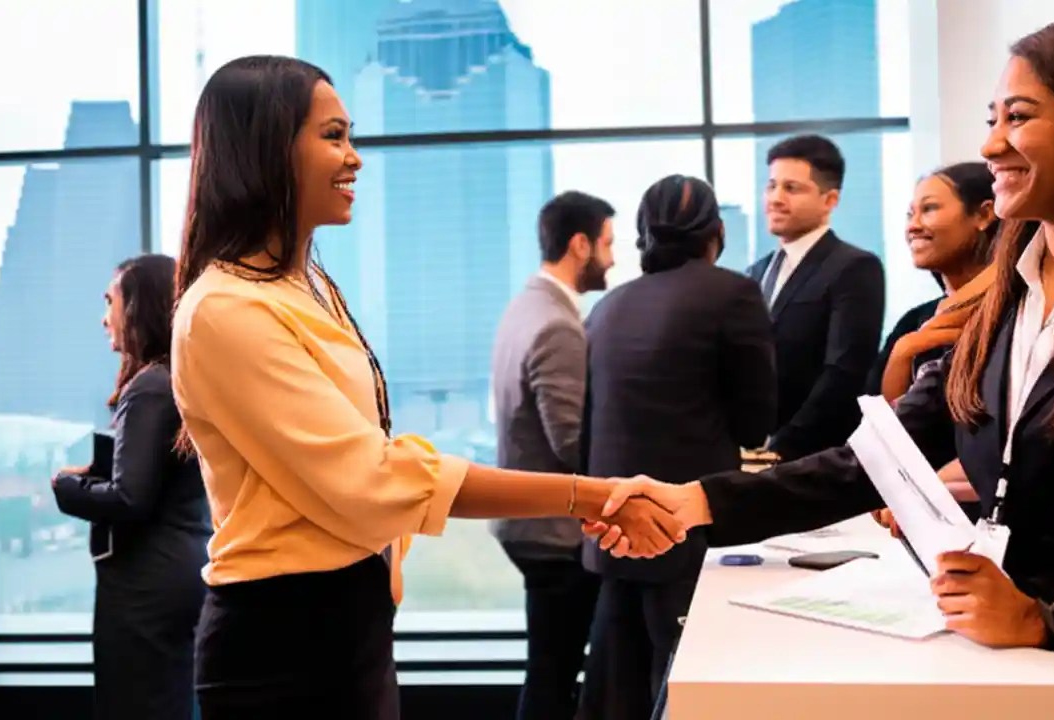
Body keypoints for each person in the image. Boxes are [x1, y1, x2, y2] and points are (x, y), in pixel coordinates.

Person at [592, 14, 1054, 714]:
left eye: (1018, 117)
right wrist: (695, 502)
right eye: (991, 117)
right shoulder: (1006, 301)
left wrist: (1045, 618)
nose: (991, 143)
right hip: (1009, 680)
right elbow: (876, 458)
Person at [168, 55, 686, 719]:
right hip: (281, 638)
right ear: (265, 147)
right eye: (332, 137)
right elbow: (370, 478)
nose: (355, 158)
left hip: (349, 617)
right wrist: (589, 494)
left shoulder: (312, 288)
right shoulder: (225, 310)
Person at [577, 175, 777, 719]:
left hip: (612, 530)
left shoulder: (608, 307)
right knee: (687, 694)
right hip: (685, 529)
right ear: (716, 232)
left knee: (617, 694)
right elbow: (755, 423)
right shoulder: (734, 293)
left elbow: (587, 424)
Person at [52, 254, 211, 720]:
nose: (104, 318)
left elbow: (130, 499)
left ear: (139, 306)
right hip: (181, 567)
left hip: (147, 582)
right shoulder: (179, 380)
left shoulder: (148, 387)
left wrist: (66, 487)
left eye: (111, 301)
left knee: (138, 704)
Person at [489, 190, 616, 720]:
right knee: (553, 674)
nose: (612, 259)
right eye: (607, 244)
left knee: (549, 668)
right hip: (552, 532)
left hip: (529, 526)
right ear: (580, 244)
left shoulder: (525, 307)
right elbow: (571, 443)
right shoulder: (558, 325)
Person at [747, 134, 886, 461]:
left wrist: (782, 447)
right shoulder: (756, 272)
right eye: (771, 186)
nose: (775, 198)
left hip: (815, 457)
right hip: (753, 456)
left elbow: (844, 372)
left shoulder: (854, 267)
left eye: (791, 188)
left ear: (830, 200)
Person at [867, 162, 1000, 401]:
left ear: (983, 214)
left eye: (929, 209)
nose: (913, 226)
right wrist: (904, 353)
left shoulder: (1014, 313)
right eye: (910, 213)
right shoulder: (912, 323)